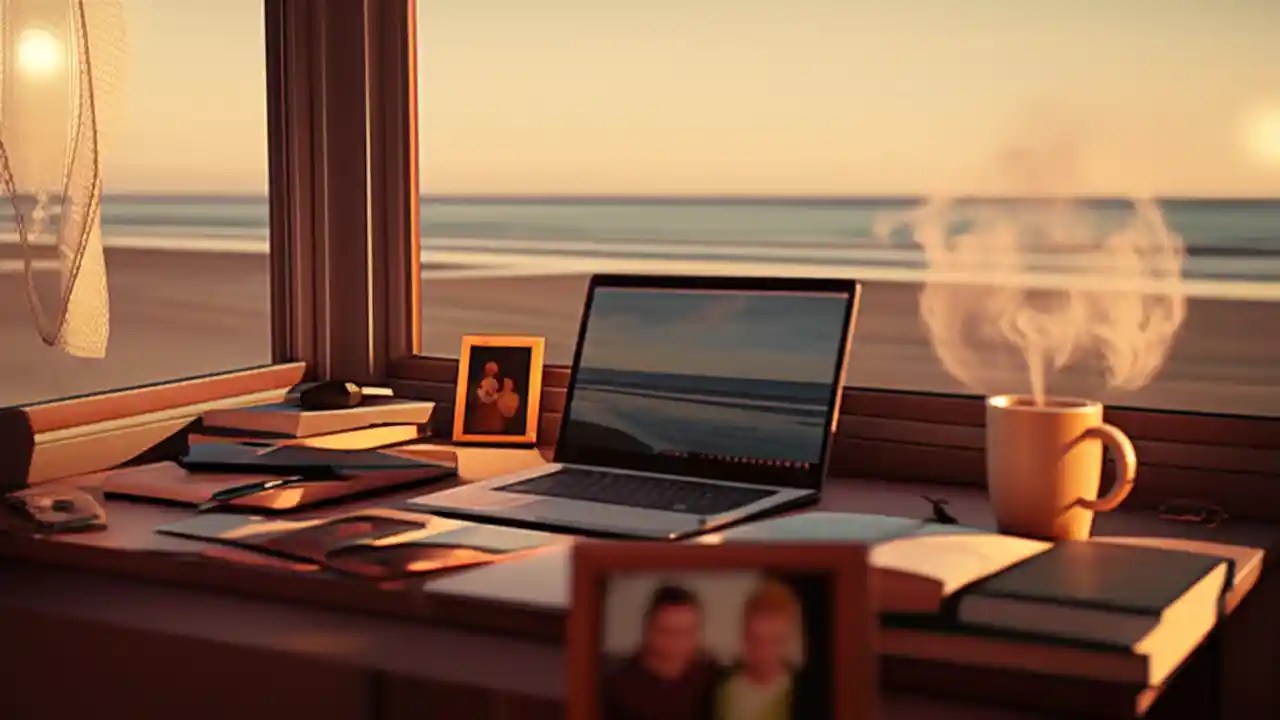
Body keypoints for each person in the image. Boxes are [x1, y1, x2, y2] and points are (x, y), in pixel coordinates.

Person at [602, 585, 722, 720]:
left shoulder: (712, 679)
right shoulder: (617, 686)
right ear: (648, 630)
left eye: (686, 633)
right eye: (667, 632)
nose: (677, 643)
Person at [714, 579, 803, 720]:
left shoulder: (807, 695)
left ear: (789, 640)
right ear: (744, 636)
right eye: (756, 641)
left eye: (775, 642)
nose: (765, 653)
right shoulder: (720, 691)